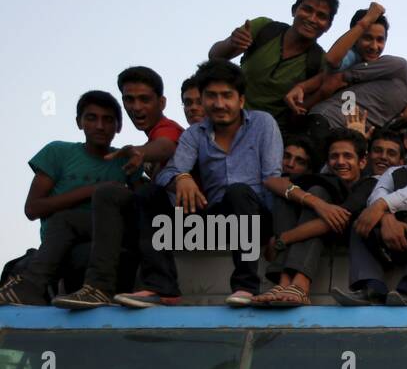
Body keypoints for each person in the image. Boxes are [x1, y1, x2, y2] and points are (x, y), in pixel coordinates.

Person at [152, 60, 292, 306]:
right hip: (216, 220)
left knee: (238, 192)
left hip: (257, 218)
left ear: (241, 100)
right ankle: (159, 286)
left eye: (227, 95)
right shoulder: (195, 134)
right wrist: (181, 177)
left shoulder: (262, 123)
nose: (219, 104)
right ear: (203, 100)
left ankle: (246, 286)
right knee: (148, 193)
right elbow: (170, 171)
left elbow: (273, 179)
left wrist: (278, 233)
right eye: (211, 96)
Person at [50, 68, 186, 309]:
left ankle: (100, 286)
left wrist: (142, 152)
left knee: (110, 194)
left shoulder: (167, 129)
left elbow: (165, 146)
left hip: (186, 224)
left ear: (162, 102)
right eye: (129, 100)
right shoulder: (146, 141)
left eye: (144, 99)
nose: (136, 107)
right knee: (67, 220)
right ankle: (29, 285)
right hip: (156, 223)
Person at [1, 91, 144, 306]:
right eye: (91, 118)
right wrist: (93, 190)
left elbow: (139, 205)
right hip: (57, 244)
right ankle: (31, 288)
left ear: (119, 126)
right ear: (79, 122)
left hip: (106, 243)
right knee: (59, 227)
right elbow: (32, 209)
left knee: (69, 228)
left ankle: (36, 287)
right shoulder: (58, 152)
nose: (99, 126)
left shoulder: (125, 161)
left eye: (108, 120)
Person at [332, 113, 407, 305]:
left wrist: (382, 206)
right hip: (388, 239)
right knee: (363, 218)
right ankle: (372, 287)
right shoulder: (393, 172)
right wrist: (386, 219)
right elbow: (377, 194)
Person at [255, 128, 372, 305]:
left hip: (342, 235)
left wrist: (282, 239)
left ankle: (301, 285)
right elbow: (273, 182)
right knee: (290, 197)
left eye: (347, 156)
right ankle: (284, 283)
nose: (340, 162)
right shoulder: (324, 179)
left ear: (362, 162)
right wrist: (317, 203)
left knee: (318, 192)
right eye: (334, 156)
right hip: (314, 224)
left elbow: (337, 219)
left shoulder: (369, 183)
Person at [208, 0, 339, 126]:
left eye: (321, 16)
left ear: (328, 26)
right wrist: (232, 42)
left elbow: (302, 109)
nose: (312, 19)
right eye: (307, 10)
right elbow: (215, 55)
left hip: (270, 133)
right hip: (228, 117)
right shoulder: (264, 28)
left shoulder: (319, 61)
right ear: (294, 10)